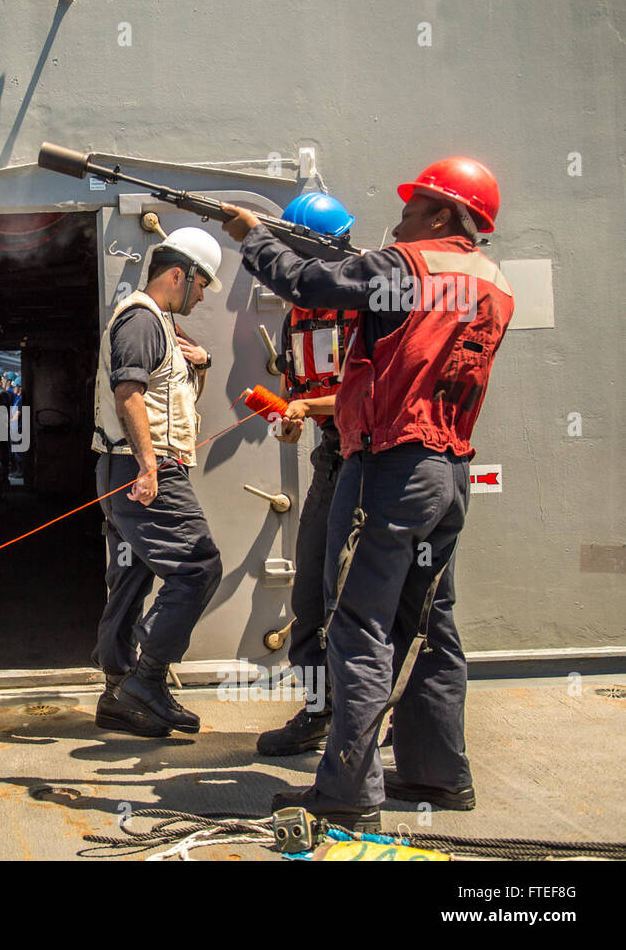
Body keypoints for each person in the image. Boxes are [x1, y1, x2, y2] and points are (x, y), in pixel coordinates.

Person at [222, 157, 514, 831]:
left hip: (387, 467)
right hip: (449, 472)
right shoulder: (492, 282)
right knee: (430, 627)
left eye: (412, 209)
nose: (399, 218)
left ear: (443, 215)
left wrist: (250, 236)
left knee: (358, 628)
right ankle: (437, 774)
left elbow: (306, 278)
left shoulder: (406, 266)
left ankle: (348, 793)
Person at [92, 227, 224, 737]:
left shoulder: (159, 324)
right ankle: (146, 681)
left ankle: (117, 692)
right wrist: (149, 467)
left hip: (125, 469)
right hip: (144, 470)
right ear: (178, 274)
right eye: (201, 284)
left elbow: (175, 395)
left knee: (130, 577)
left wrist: (203, 362)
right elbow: (129, 393)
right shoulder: (143, 320)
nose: (202, 294)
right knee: (198, 569)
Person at [254, 192, 359, 757]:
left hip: (371, 462)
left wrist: (310, 408)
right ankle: (318, 709)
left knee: (359, 596)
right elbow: (306, 387)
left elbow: (370, 394)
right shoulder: (299, 312)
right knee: (311, 594)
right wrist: (293, 416)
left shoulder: (368, 303)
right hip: (330, 457)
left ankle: (370, 717)